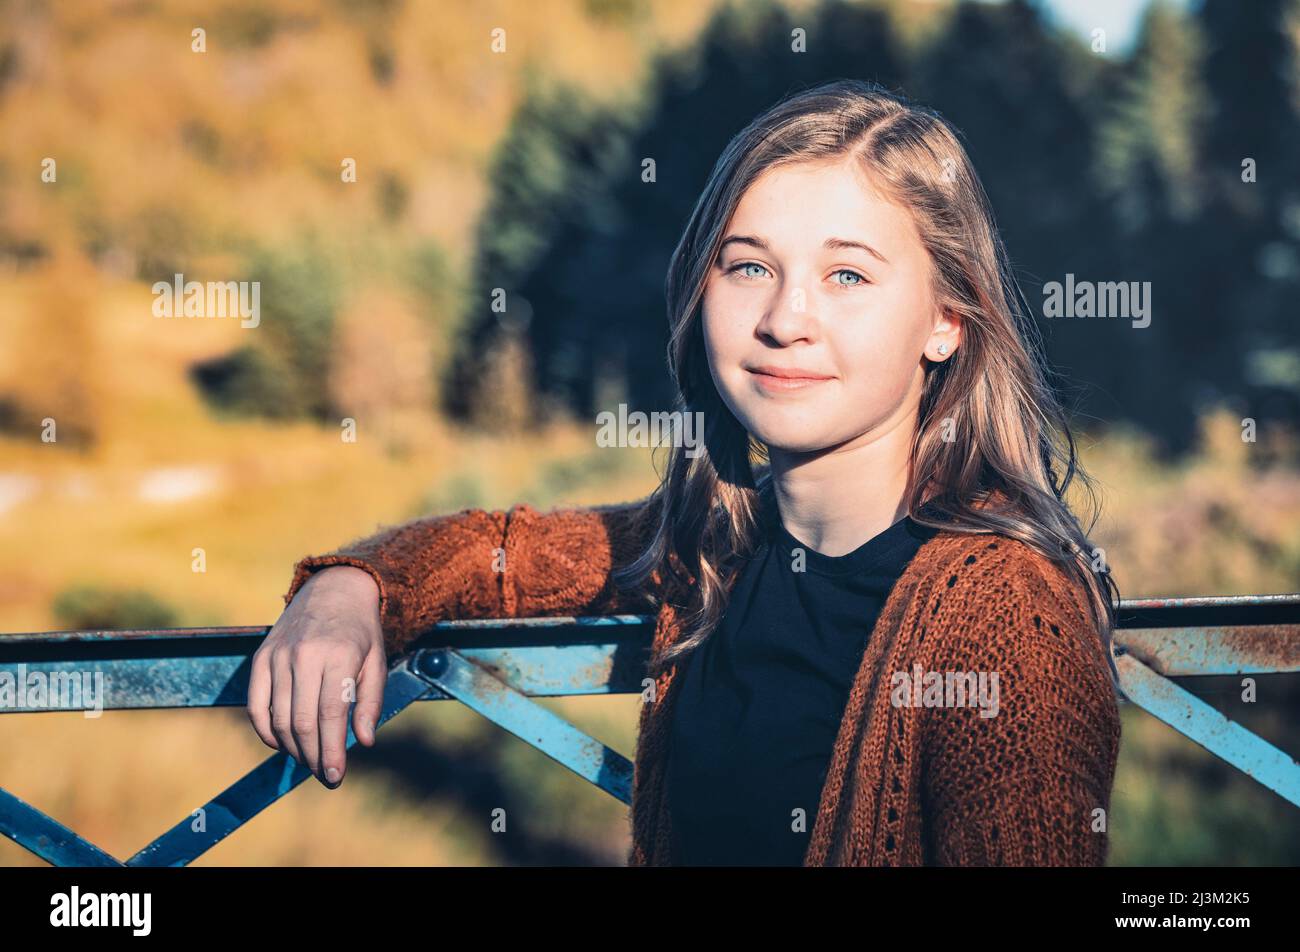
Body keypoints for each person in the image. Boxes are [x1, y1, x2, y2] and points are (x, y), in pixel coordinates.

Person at [247, 78, 1123, 866]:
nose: (786, 317)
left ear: (947, 321)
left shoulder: (1006, 614)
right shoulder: (715, 543)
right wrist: (350, 588)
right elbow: (498, 554)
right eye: (749, 266)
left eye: (847, 274)